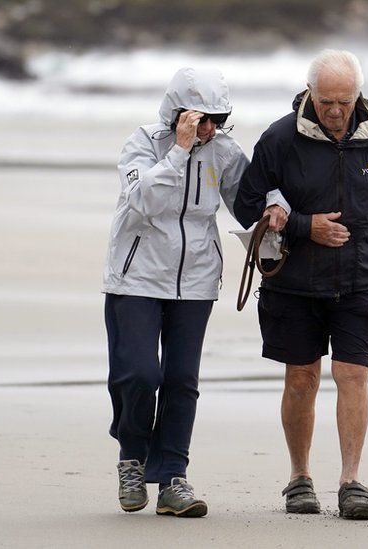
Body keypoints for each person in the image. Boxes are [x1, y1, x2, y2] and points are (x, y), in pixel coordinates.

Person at [234, 49, 368, 520]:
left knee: (352, 375)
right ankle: (300, 478)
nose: (335, 111)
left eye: (343, 101)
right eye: (325, 102)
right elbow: (246, 204)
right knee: (301, 378)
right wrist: (302, 225)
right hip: (294, 283)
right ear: (310, 94)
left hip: (361, 277)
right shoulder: (280, 137)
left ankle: (351, 480)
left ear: (357, 95)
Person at [102, 67, 288, 517]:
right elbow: (143, 200)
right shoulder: (143, 143)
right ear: (177, 113)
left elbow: (249, 197)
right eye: (200, 119)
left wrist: (275, 204)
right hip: (137, 278)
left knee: (182, 381)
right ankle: (132, 457)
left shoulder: (223, 150)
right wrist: (181, 152)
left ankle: (172, 480)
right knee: (140, 375)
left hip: (198, 281)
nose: (209, 129)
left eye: (217, 120)